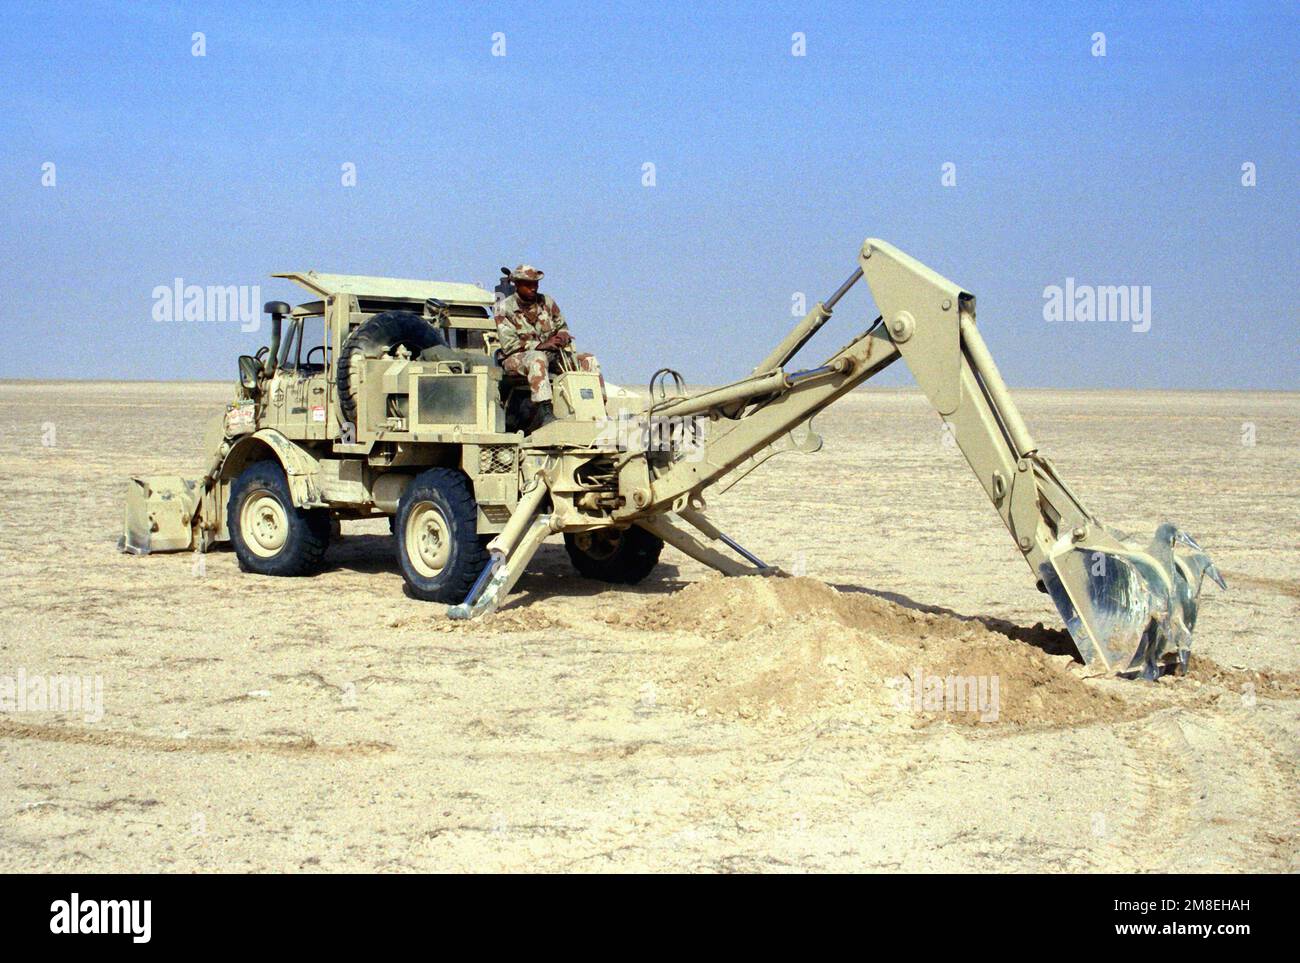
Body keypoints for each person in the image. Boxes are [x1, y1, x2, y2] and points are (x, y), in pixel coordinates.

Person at [494, 264, 601, 428]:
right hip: (517, 359)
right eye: (528, 284)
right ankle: (545, 411)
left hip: (552, 355)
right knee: (537, 358)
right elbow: (510, 345)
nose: (533, 288)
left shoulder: (547, 302)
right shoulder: (503, 308)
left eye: (536, 284)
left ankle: (597, 409)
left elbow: (562, 325)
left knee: (588, 359)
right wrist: (542, 345)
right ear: (517, 284)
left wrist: (563, 335)